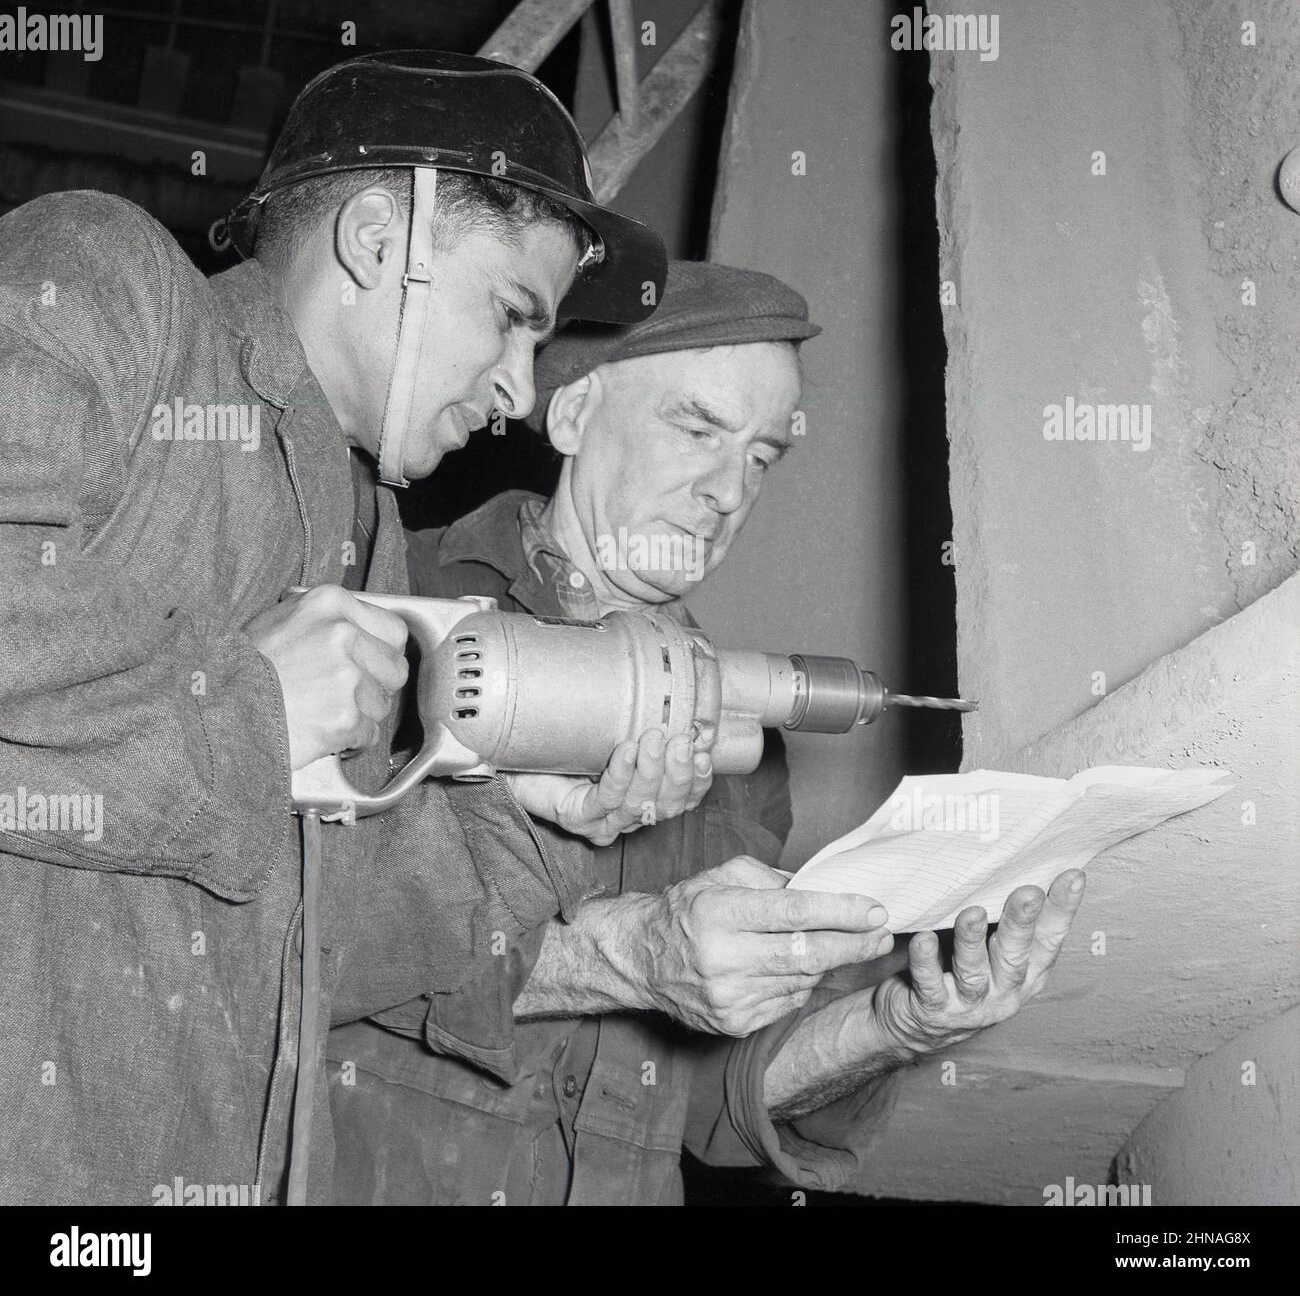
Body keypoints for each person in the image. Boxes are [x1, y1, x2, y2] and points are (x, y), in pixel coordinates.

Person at [0, 49, 703, 1204]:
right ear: (382, 239)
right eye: (512, 315)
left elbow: (363, 952)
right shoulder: (106, 282)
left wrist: (523, 803)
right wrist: (250, 713)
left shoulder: (363, 532)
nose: (517, 389)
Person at [328, 261, 1086, 1204]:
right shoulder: (396, 605)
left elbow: (711, 1104)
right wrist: (629, 957)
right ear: (571, 414)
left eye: (762, 456)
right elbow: (295, 936)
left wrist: (894, 1024)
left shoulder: (742, 750)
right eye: (697, 428)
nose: (730, 490)